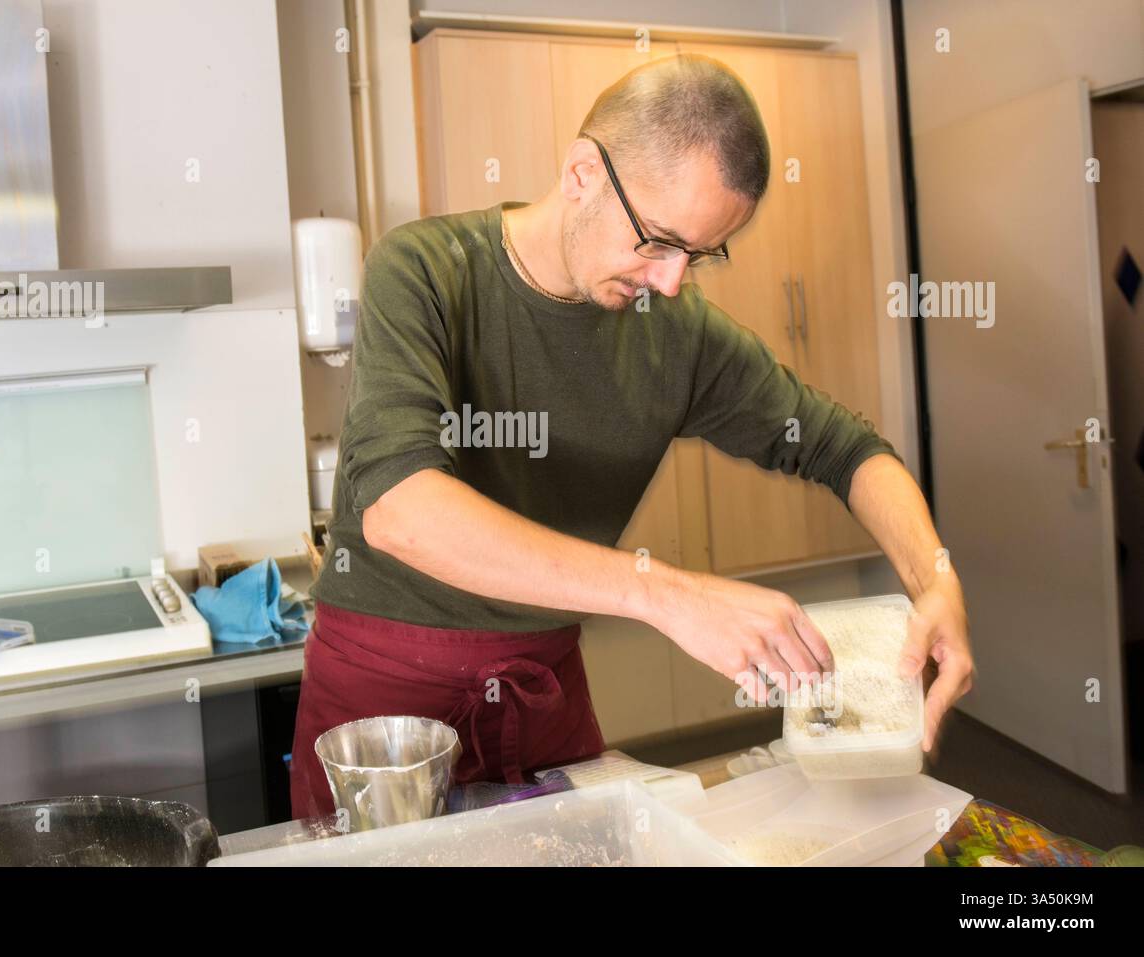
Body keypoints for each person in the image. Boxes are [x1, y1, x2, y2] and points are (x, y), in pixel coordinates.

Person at [290, 54, 972, 820]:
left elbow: (845, 449)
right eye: (658, 240)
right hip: (385, 718)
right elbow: (401, 509)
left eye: (701, 253)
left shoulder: (674, 332)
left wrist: (935, 578)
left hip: (542, 697)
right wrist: (668, 595)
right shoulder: (423, 272)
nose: (674, 281)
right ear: (582, 171)